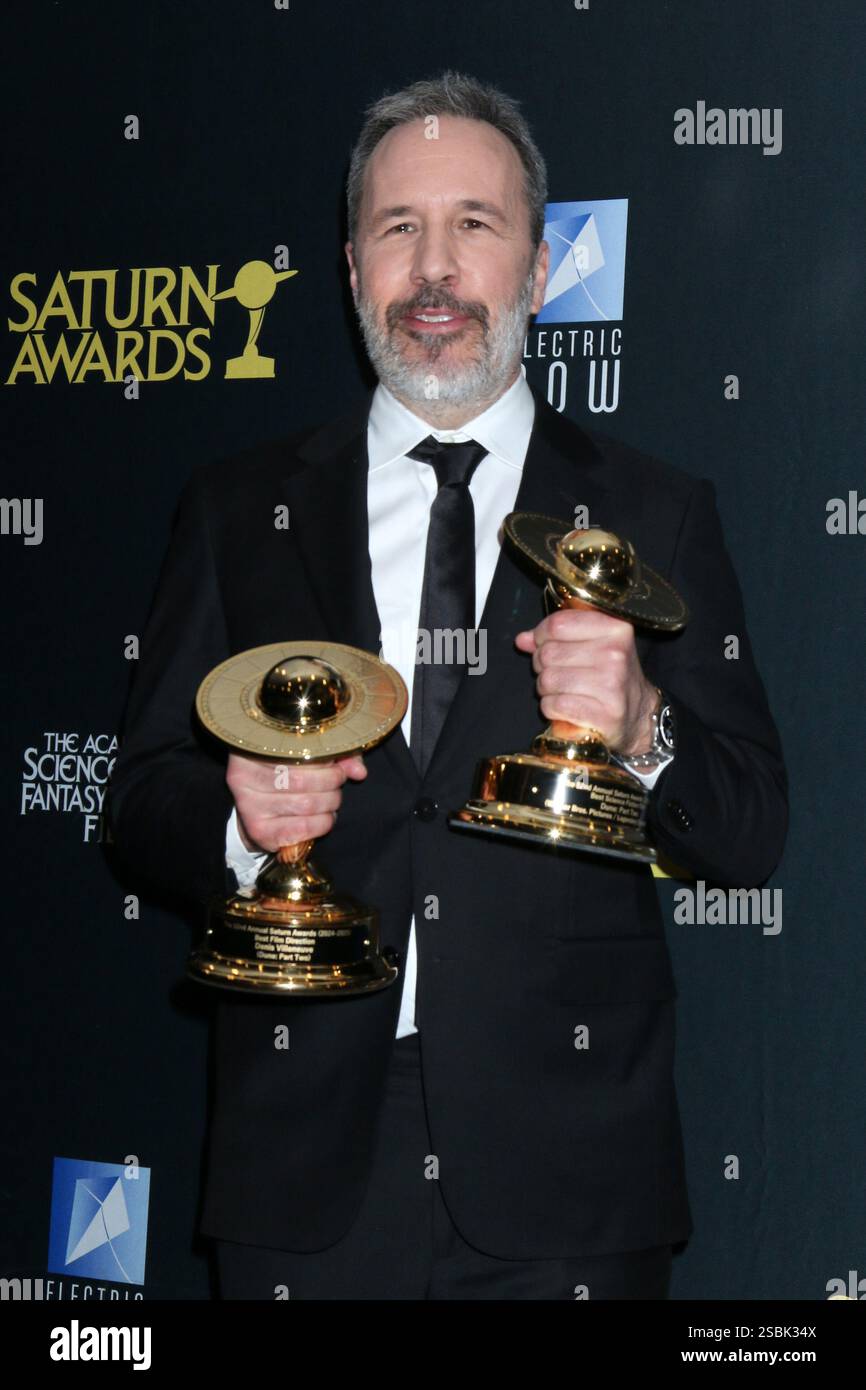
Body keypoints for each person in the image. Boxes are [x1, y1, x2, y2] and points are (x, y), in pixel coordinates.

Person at [108, 70, 788, 1300]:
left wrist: (643, 727)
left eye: (473, 226)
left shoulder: (653, 511)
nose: (434, 270)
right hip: (301, 1174)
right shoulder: (236, 509)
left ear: (536, 269)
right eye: (396, 228)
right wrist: (236, 821)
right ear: (351, 267)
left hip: (571, 1186)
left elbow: (749, 830)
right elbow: (139, 795)